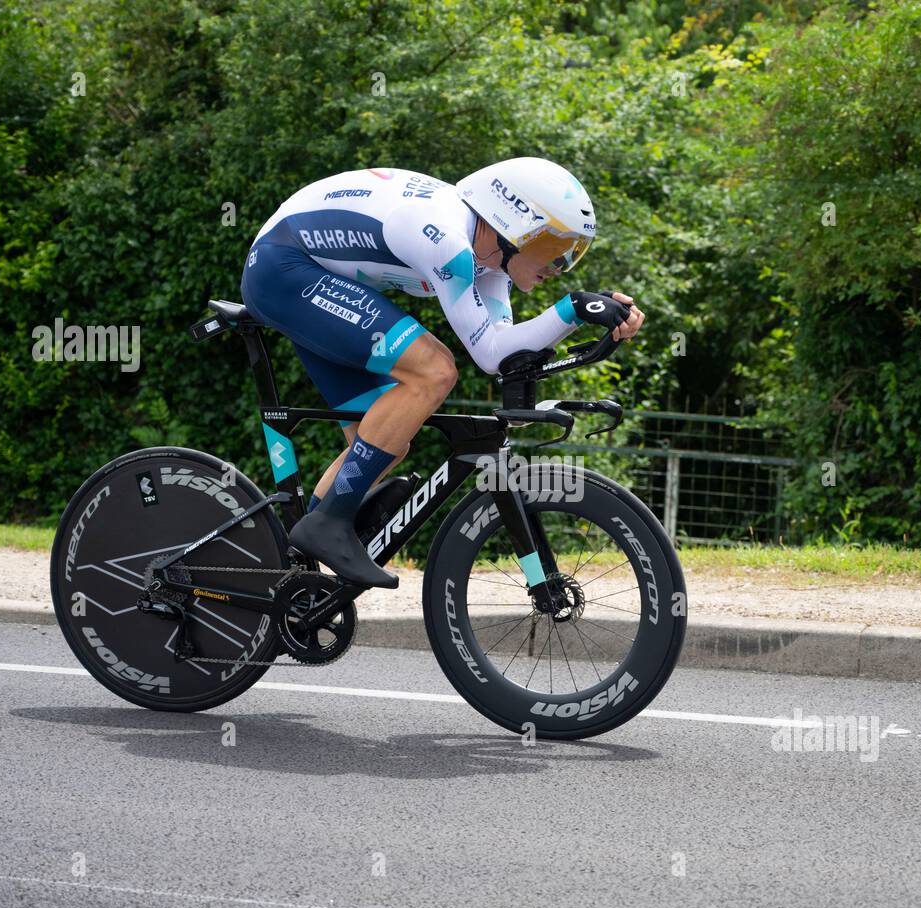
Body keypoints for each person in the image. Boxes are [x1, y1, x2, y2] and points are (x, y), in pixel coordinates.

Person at [240, 157, 644, 588]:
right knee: (433, 371)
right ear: (511, 224)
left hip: (308, 274)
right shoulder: (446, 239)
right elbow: (488, 354)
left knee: (383, 440)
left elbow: (505, 351)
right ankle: (329, 524)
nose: (559, 266)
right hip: (283, 269)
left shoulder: (489, 259)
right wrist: (572, 308)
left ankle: (288, 571)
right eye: (552, 248)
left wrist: (584, 311)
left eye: (572, 254)